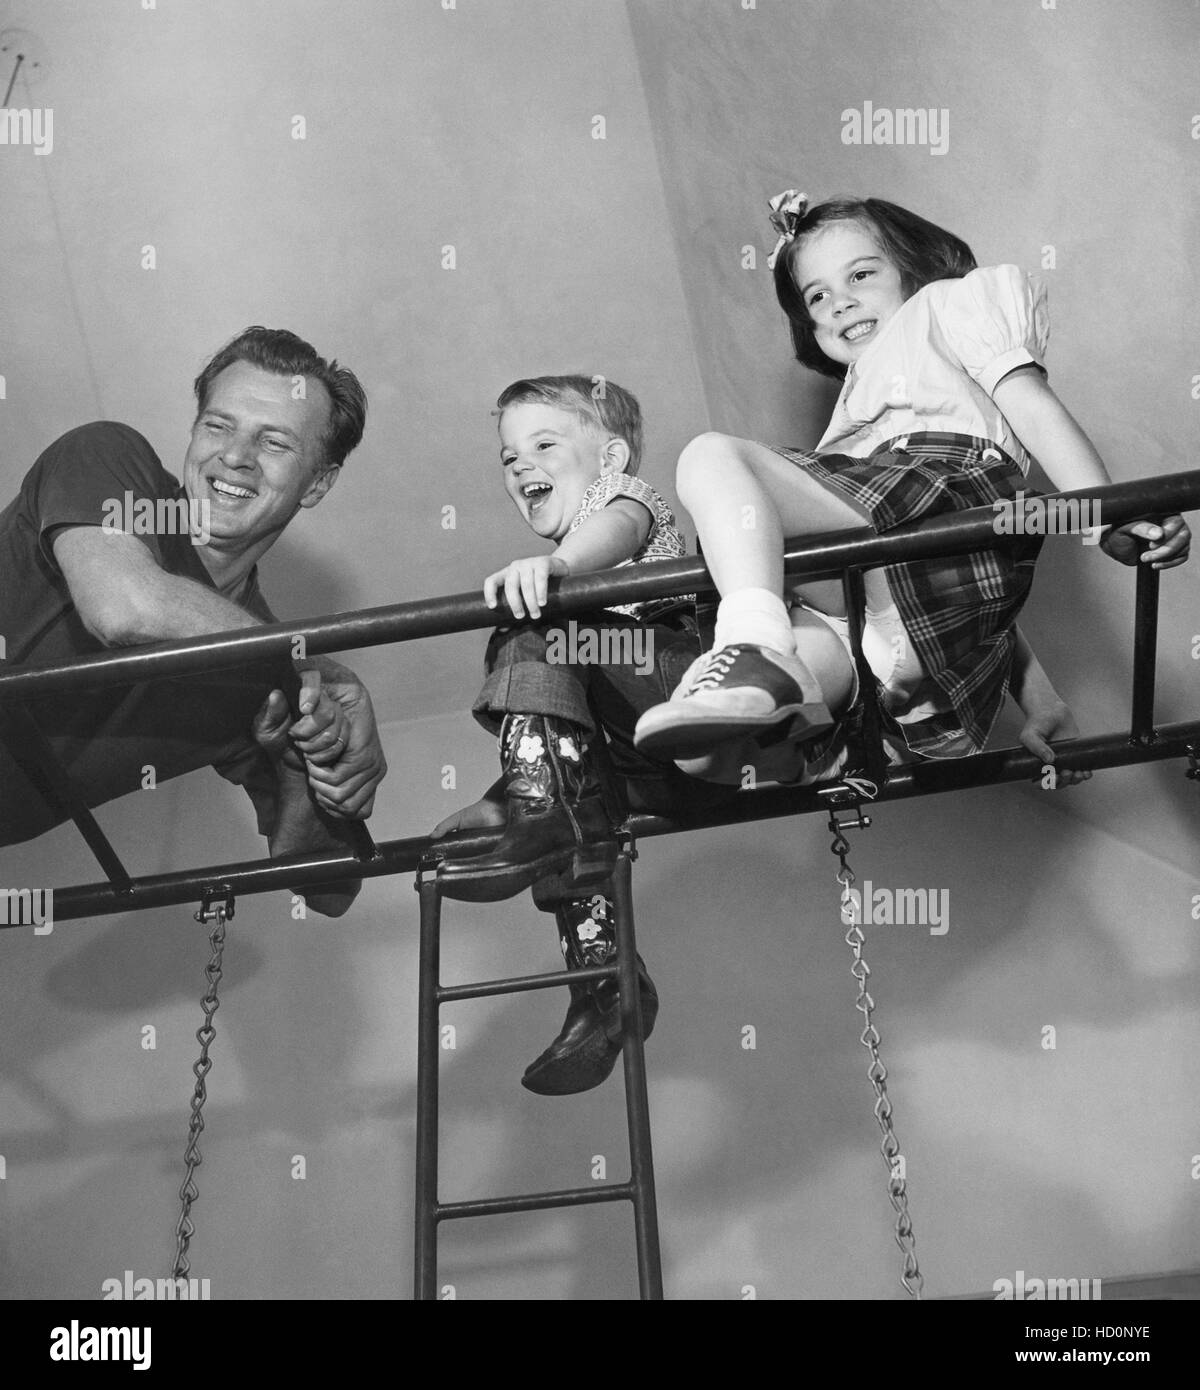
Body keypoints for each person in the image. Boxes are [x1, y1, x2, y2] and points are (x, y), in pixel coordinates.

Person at [633, 192, 1191, 774]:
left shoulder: (945, 306)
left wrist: (1109, 516)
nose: (840, 303)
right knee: (701, 757)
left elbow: (1033, 410)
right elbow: (957, 584)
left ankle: (752, 644)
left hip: (943, 488)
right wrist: (1042, 699)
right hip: (881, 605)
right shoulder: (849, 422)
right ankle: (773, 690)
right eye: (817, 296)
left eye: (862, 274)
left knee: (710, 457)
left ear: (914, 268)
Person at [0, 327, 388, 916]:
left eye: (275, 442)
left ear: (318, 483)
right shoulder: (107, 456)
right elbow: (125, 609)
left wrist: (299, 766)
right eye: (218, 425)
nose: (234, 456)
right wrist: (304, 662)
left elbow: (329, 890)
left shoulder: (266, 671)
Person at [429, 375, 732, 1096]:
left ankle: (537, 807)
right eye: (508, 458)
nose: (521, 464)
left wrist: (559, 567)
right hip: (634, 752)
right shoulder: (570, 573)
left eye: (543, 444)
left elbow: (618, 529)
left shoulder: (628, 503)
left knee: (535, 631)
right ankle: (605, 983)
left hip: (675, 683)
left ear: (612, 457)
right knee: (561, 797)